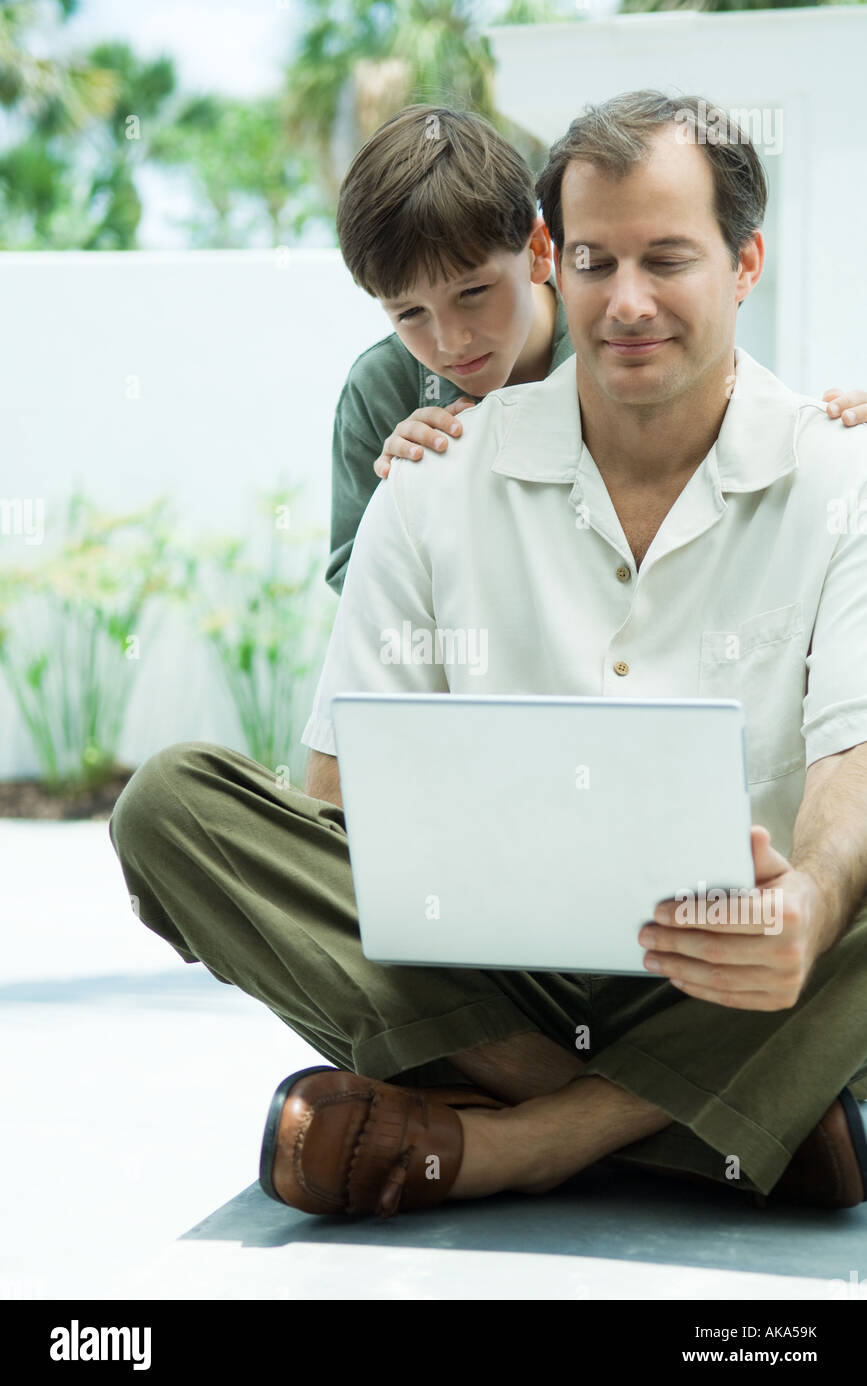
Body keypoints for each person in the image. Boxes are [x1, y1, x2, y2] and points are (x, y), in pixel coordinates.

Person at [109, 91, 867, 1220]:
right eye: (599, 261)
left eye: (669, 258)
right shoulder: (420, 476)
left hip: (733, 972)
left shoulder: (838, 477)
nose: (629, 301)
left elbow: (852, 758)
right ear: (558, 255)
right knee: (170, 806)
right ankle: (693, 1117)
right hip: (484, 976)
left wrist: (806, 903)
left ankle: (522, 1143)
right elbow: (337, 796)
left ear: (745, 261)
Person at [327, 104, 867, 598]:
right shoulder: (382, 392)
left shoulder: (615, 353)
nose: (450, 341)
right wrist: (404, 500)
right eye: (409, 314)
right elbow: (367, 589)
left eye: (472, 294)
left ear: (541, 254)